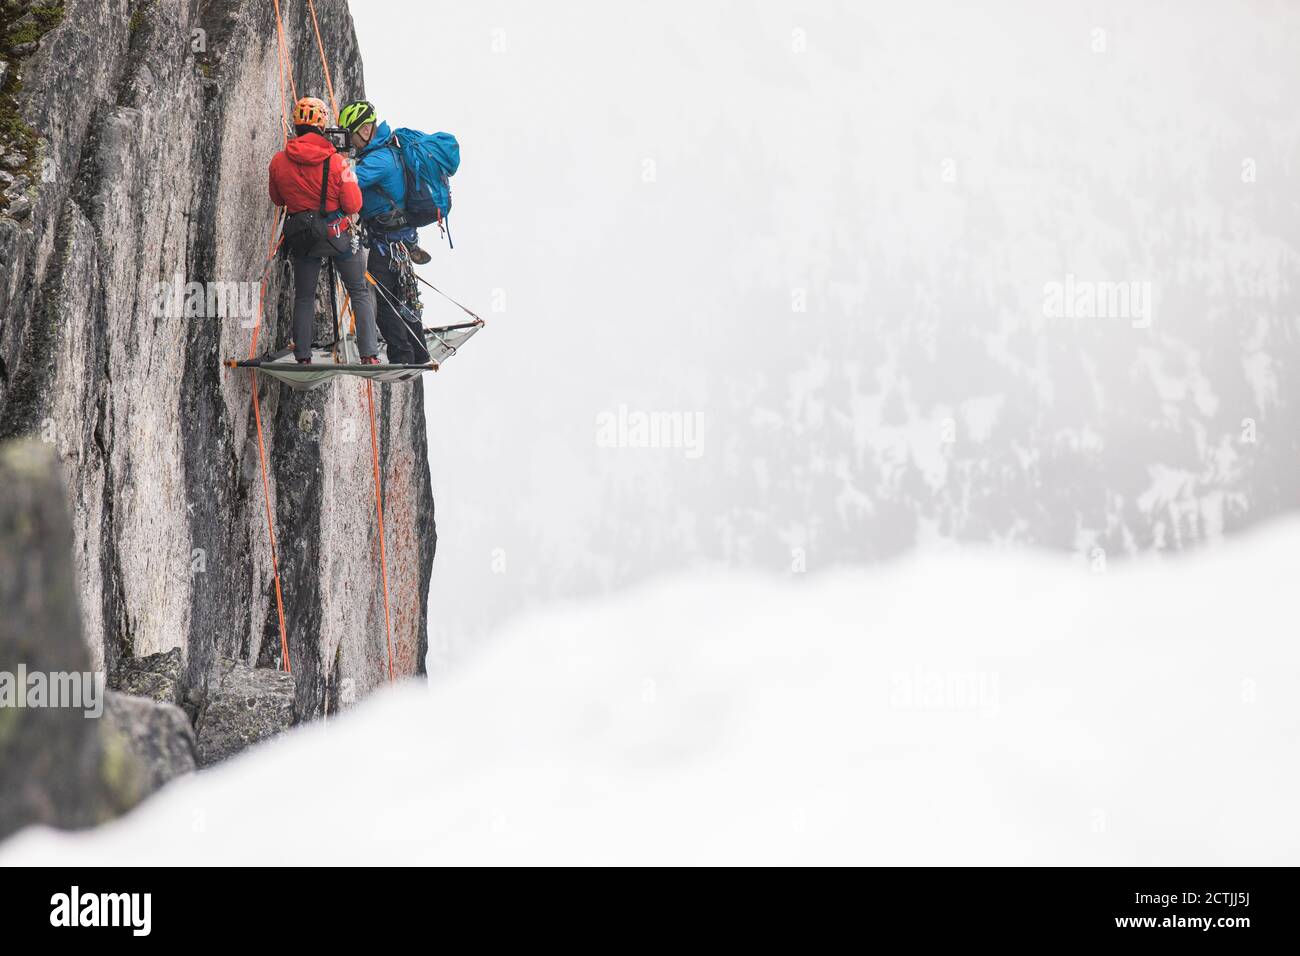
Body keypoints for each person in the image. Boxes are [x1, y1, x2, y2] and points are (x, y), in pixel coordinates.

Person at [268, 96, 380, 365]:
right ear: (322, 127)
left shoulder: (279, 161)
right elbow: (354, 203)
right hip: (336, 234)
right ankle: (369, 354)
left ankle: (303, 356)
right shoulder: (336, 162)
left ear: (296, 126)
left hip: (303, 238)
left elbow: (277, 199)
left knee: (304, 296)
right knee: (358, 291)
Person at [337, 99, 431, 366]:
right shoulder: (387, 151)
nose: (353, 142)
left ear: (365, 131)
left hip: (386, 244)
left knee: (384, 302)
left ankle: (403, 358)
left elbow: (349, 181)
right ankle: (419, 353)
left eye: (353, 135)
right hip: (400, 241)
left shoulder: (379, 160)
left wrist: (336, 161)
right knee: (405, 298)